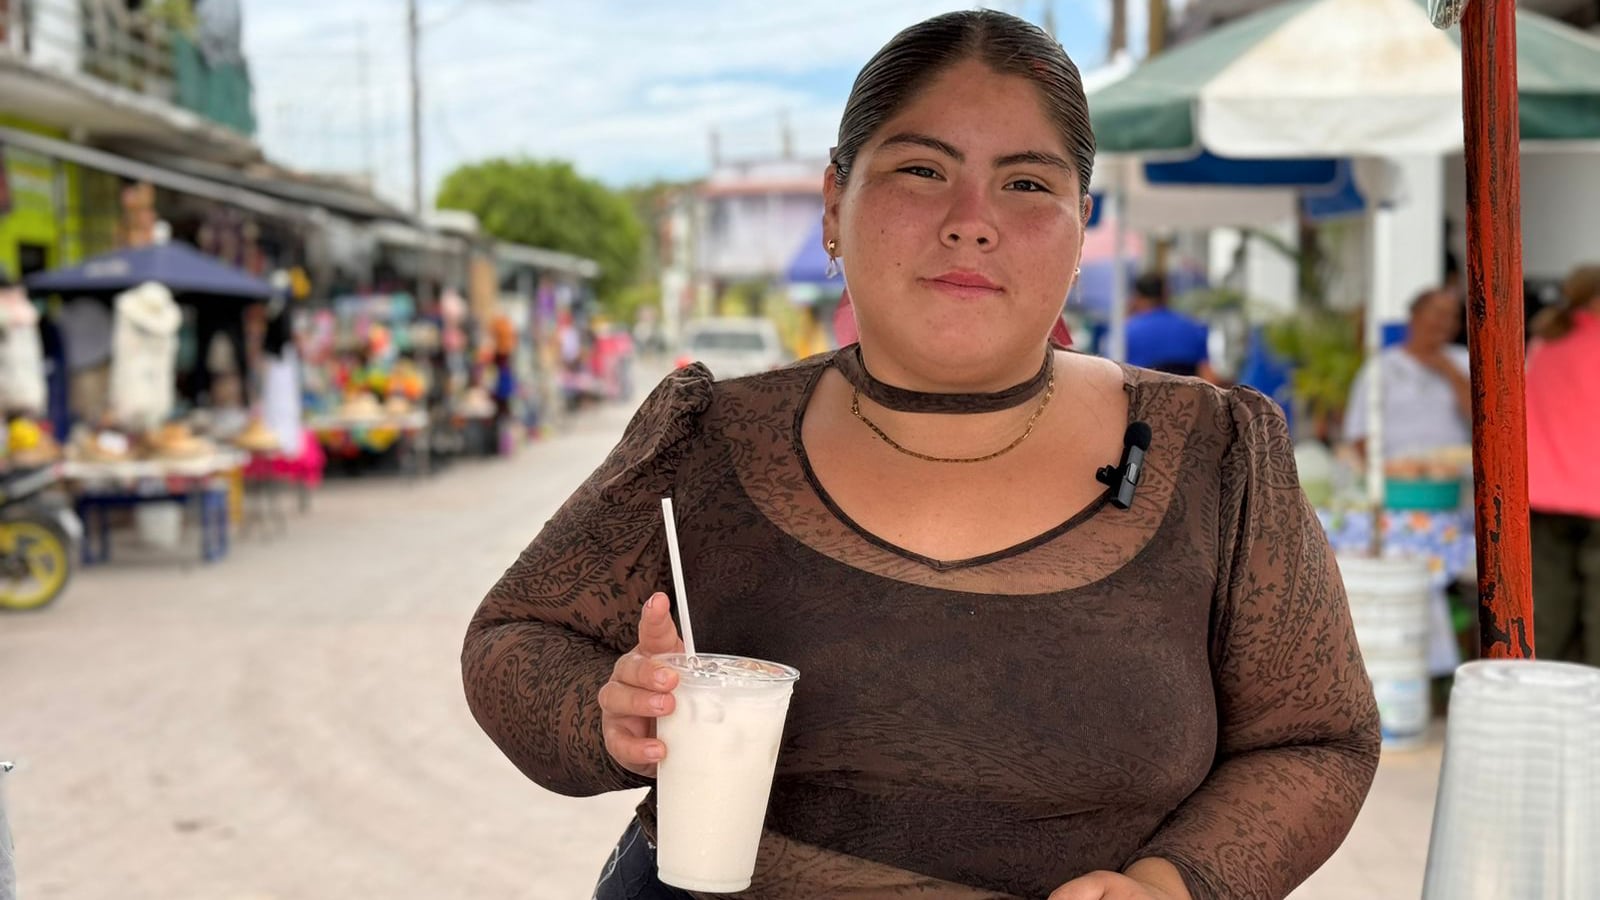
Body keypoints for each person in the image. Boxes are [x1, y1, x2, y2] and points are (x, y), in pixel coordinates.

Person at [462, 12, 1378, 900]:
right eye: (920, 169)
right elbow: (514, 640)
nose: (971, 220)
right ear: (834, 203)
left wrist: (1169, 884)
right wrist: (606, 712)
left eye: (1026, 184)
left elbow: (1317, 740)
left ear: (1080, 220)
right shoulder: (707, 438)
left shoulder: (1214, 454)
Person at [1526, 265, 1600, 666]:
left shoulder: (1542, 343)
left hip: (1544, 496)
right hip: (1595, 500)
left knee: (1549, 615)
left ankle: (1541, 702)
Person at [1342, 287, 1471, 461]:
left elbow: (1483, 420)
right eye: (1439, 314)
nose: (1446, 323)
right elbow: (1358, 432)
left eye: (1453, 317)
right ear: (1415, 316)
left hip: (1457, 475)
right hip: (1397, 475)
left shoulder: (1464, 360)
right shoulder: (1381, 367)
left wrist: (1449, 370)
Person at [1122, 271, 1214, 380]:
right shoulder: (1194, 328)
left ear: (1137, 297)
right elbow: (1207, 376)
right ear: (1166, 294)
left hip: (1141, 394)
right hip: (1186, 394)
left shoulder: (1125, 333)